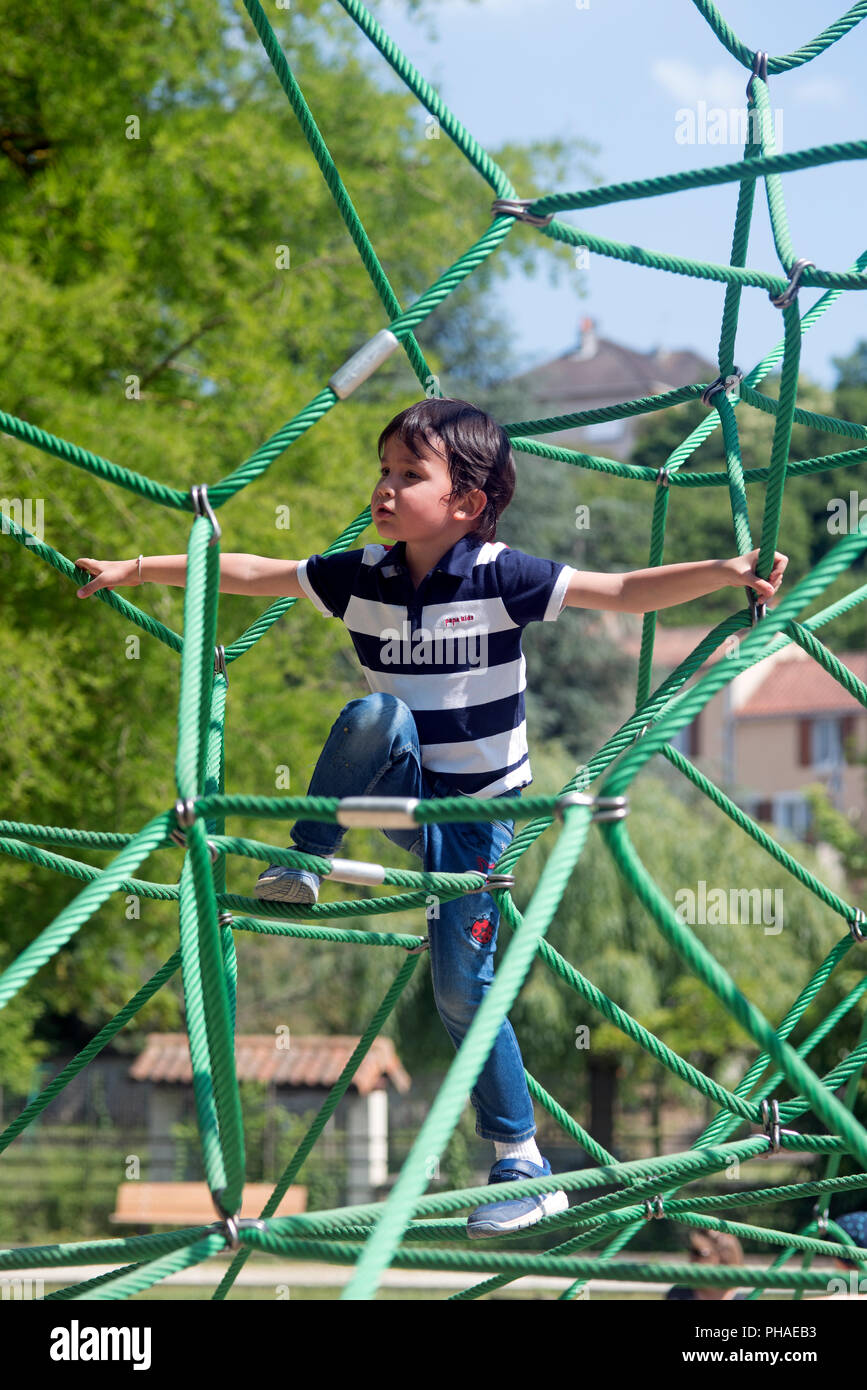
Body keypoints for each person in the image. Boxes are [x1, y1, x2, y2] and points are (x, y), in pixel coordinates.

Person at [74, 396, 788, 1238]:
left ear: (467, 503)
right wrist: (139, 567)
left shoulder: (500, 575)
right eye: (383, 470)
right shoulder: (359, 577)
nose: (383, 488)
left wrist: (727, 571)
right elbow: (252, 570)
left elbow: (625, 592)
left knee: (460, 991)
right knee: (375, 718)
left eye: (408, 475)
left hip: (480, 821)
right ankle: (304, 860)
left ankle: (522, 1162)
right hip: (398, 793)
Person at [665, 1228, 748, 1300]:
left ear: (723, 1258)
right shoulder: (678, 1294)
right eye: (691, 1251)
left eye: (697, 1253)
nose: (691, 1258)